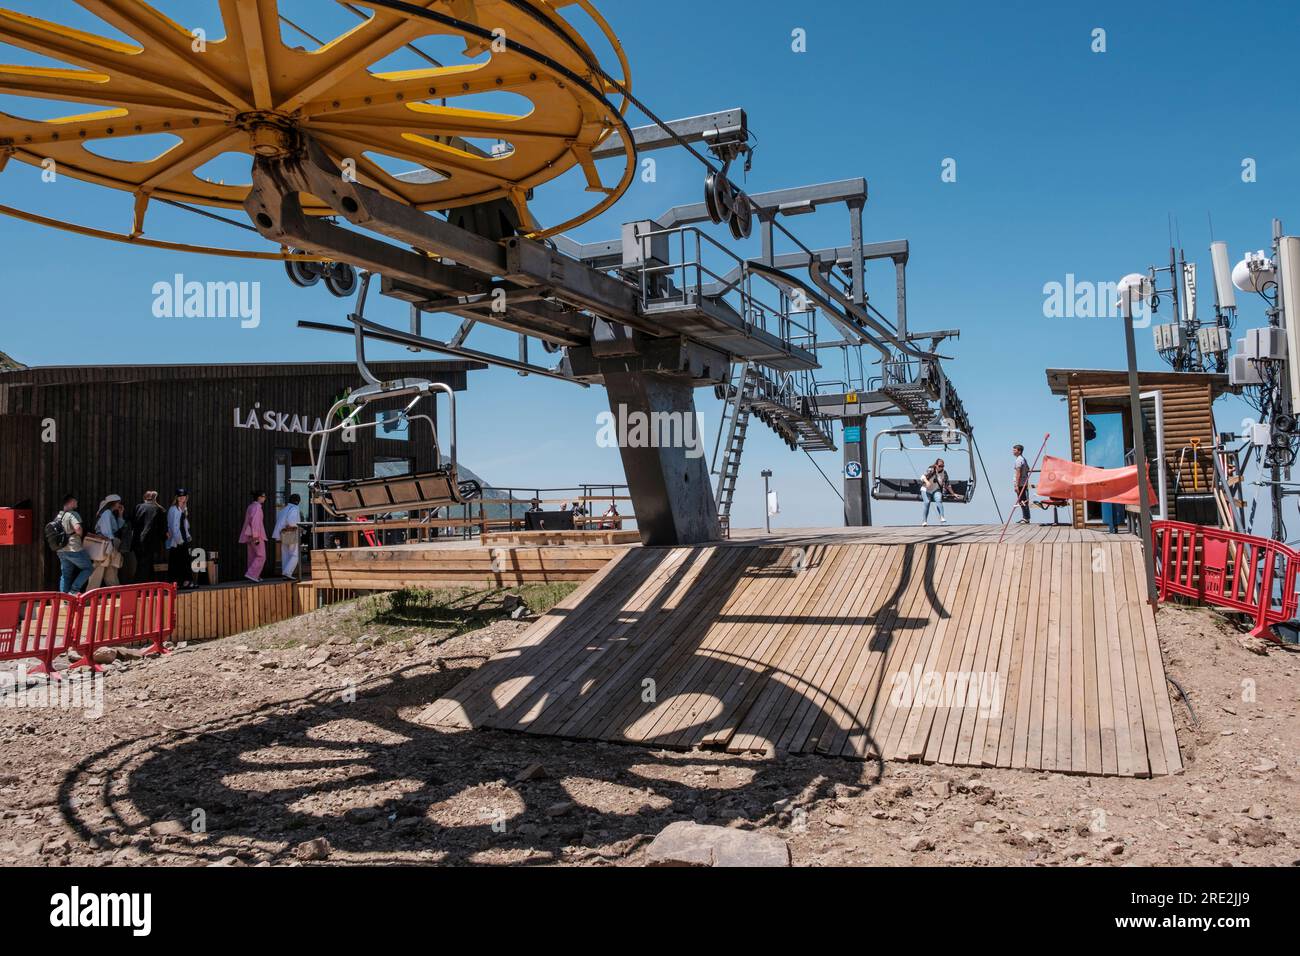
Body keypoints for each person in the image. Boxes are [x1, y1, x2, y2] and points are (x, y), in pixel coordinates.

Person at [86, 494, 126, 590]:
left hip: (108, 543)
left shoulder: (109, 513)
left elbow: (118, 528)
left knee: (110, 570)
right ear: (113, 503)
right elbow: (106, 531)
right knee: (99, 569)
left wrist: (121, 514)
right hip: (106, 544)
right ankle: (90, 595)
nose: (119, 504)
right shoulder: (107, 513)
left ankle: (116, 594)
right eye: (118, 502)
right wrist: (111, 546)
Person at [54, 493, 92, 594]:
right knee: (88, 568)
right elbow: (78, 528)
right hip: (73, 548)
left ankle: (64, 599)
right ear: (71, 502)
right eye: (75, 501)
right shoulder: (73, 514)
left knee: (65, 574)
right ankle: (74, 590)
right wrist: (80, 535)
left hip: (61, 550)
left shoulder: (58, 516)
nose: (77, 503)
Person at [130, 490, 165, 582]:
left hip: (137, 541)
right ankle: (139, 587)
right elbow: (162, 528)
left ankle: (148, 586)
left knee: (143, 564)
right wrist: (164, 539)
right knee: (145, 565)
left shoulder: (138, 507)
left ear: (144, 498)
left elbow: (132, 523)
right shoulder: (158, 509)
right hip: (150, 542)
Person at [166, 488, 195, 589]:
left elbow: (184, 523)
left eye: (184, 496)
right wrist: (179, 539)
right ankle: (174, 583)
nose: (182, 498)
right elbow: (173, 526)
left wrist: (187, 535)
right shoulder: (173, 509)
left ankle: (185, 581)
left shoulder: (184, 508)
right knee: (175, 561)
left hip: (183, 537)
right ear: (177, 498)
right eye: (180, 497)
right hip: (177, 539)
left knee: (185, 560)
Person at [239, 490, 268, 582]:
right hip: (256, 535)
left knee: (252, 555)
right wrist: (256, 536)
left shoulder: (251, 506)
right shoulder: (257, 507)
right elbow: (255, 522)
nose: (265, 498)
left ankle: (254, 575)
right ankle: (252, 574)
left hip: (249, 534)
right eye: (263, 496)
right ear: (259, 497)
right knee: (261, 555)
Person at [273, 493, 303, 580]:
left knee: (285, 554)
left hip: (283, 533)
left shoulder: (284, 508)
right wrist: (298, 527)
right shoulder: (294, 508)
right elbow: (292, 522)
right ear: (297, 501)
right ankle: (287, 572)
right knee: (295, 554)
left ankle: (285, 573)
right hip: (291, 533)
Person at [920, 458, 952, 527]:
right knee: (927, 502)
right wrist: (927, 482)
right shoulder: (931, 469)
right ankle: (924, 521)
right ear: (936, 465)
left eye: (943, 466)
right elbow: (922, 477)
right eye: (940, 466)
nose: (941, 467)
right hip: (926, 489)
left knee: (939, 500)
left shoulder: (944, 473)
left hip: (935, 490)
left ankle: (942, 516)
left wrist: (953, 493)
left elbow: (947, 484)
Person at [1012, 444, 1032, 525]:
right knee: (1023, 500)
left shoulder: (1018, 460)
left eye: (1014, 450)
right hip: (1024, 482)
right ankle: (1025, 517)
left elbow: (1018, 473)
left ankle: (1026, 518)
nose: (1013, 451)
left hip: (1020, 484)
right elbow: (1028, 468)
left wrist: (1016, 485)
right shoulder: (1023, 459)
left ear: (1019, 451)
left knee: (1022, 501)